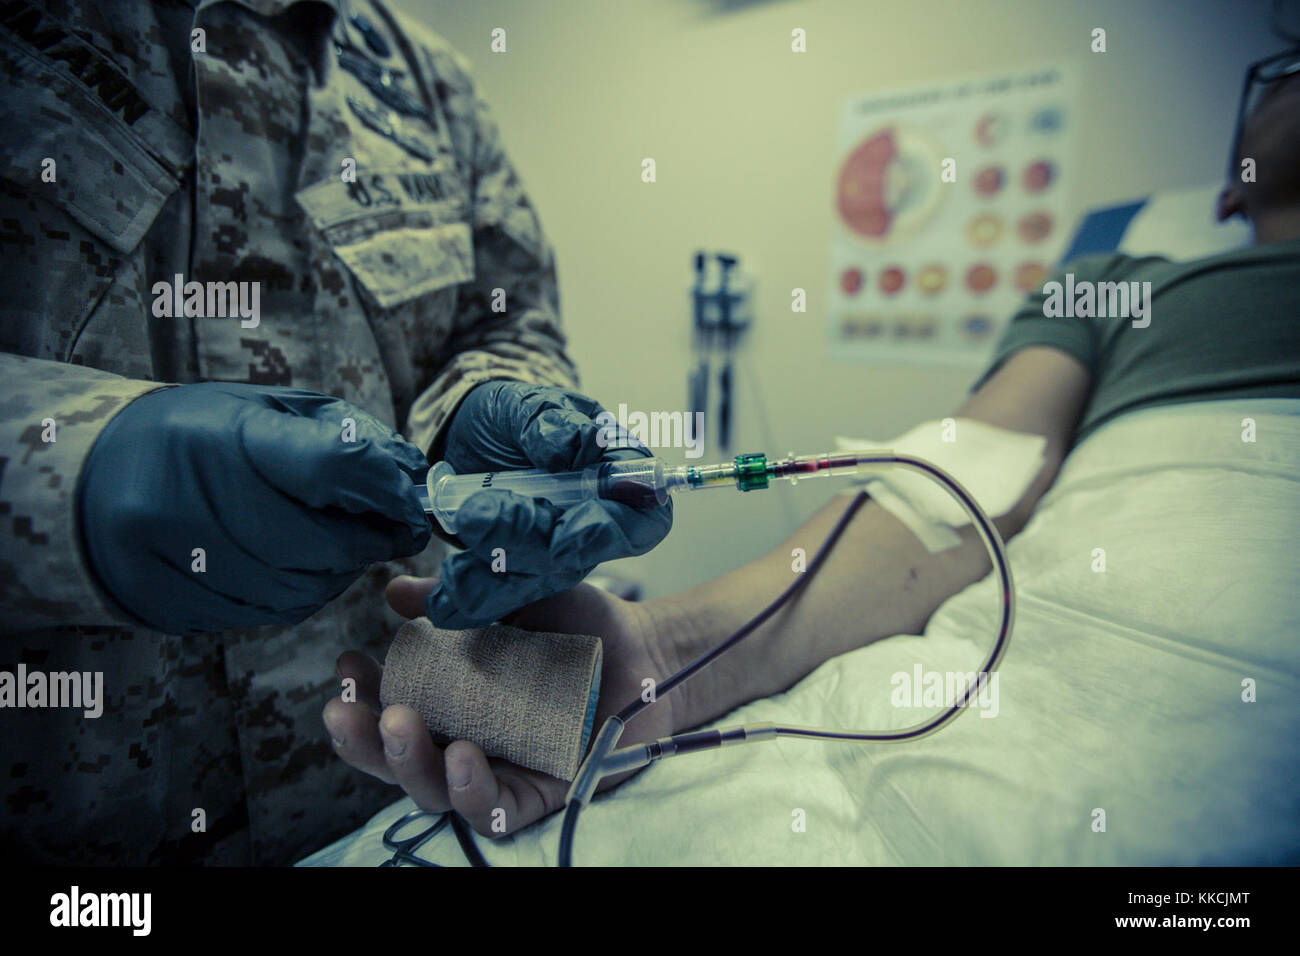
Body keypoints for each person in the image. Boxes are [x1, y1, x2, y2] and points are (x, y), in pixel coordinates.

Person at [326, 52, 1300, 840]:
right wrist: (667, 650)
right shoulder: (1124, 286)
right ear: (1231, 189)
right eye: (1285, 61)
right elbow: (960, 475)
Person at [0, 0, 666, 864]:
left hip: (396, 812)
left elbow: (507, 318)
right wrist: (76, 477)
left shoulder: (427, 85)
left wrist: (482, 405)